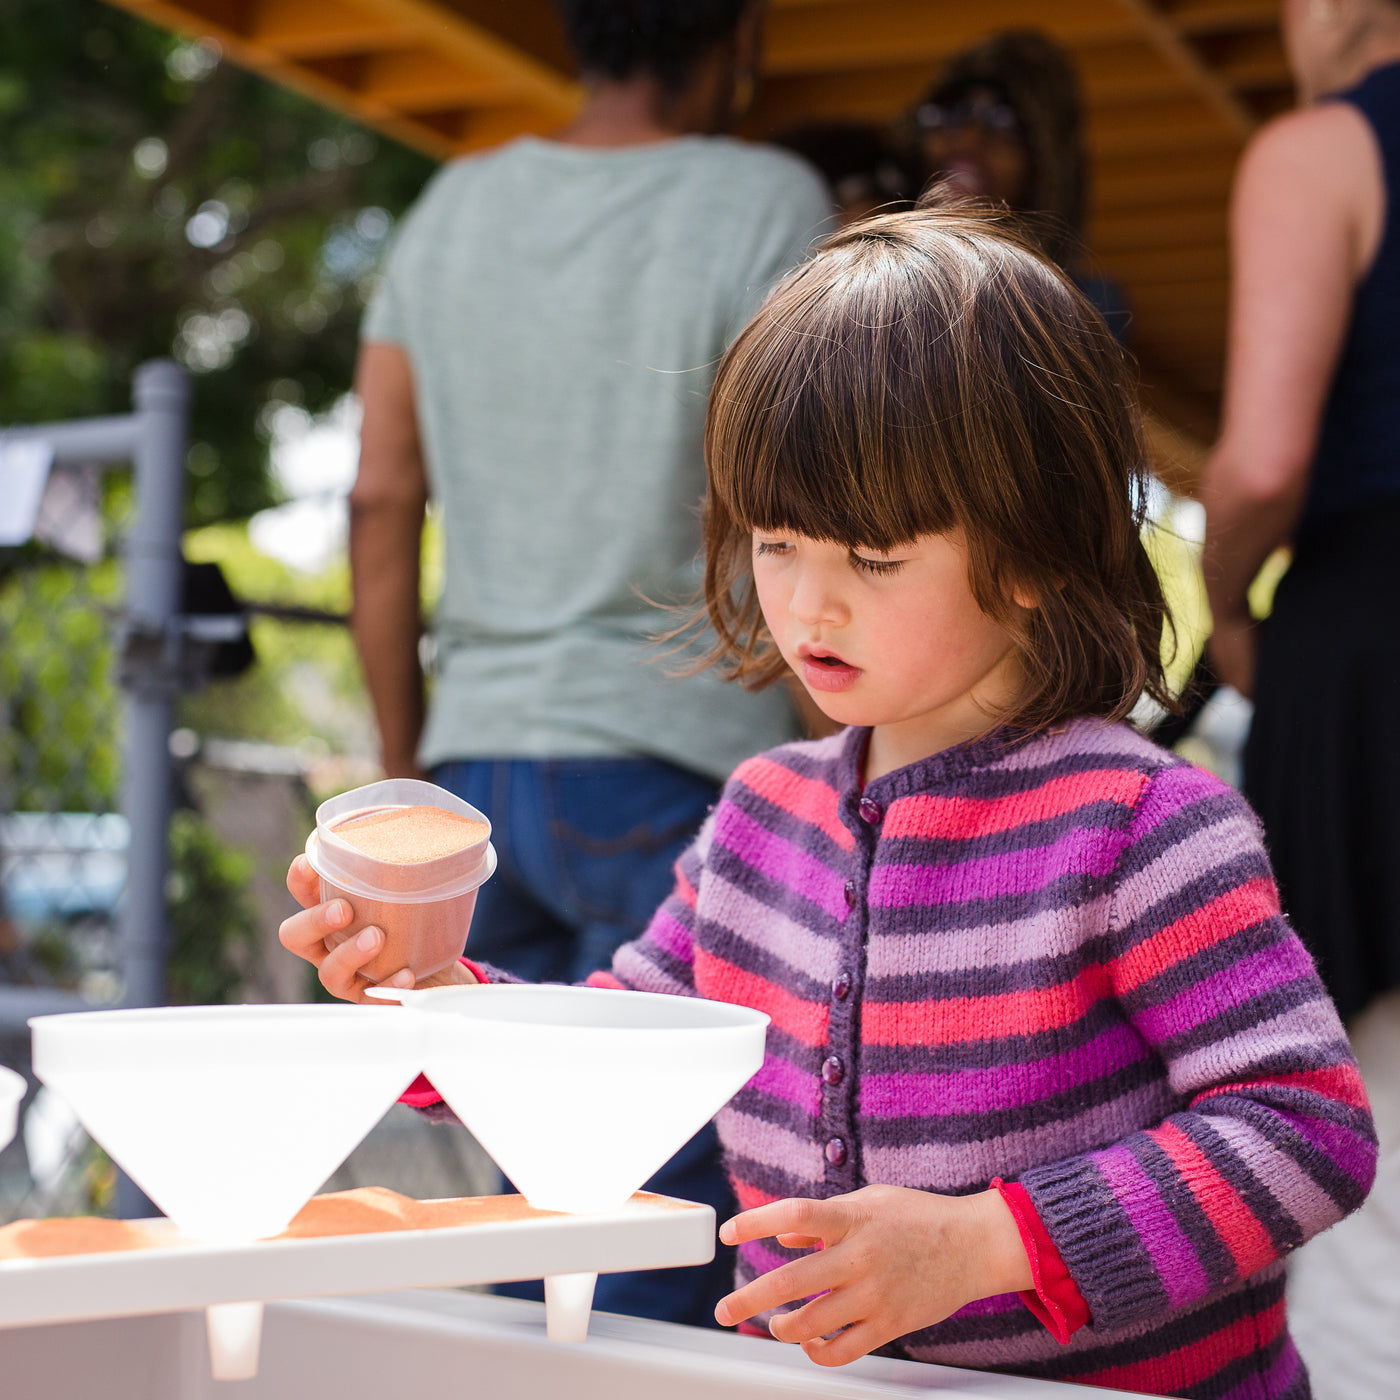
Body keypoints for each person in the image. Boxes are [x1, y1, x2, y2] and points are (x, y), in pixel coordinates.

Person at [286, 205, 1375, 1395]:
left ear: (1031, 549)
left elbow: (1303, 1126)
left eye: (871, 557)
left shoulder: (1141, 829)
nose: (808, 605)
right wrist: (432, 996)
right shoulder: (759, 823)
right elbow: (621, 1066)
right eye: (775, 541)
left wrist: (985, 1243)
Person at [349, 0, 830, 1329]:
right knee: (664, 1221)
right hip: (679, 766)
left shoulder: (451, 209)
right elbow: (802, 488)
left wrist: (410, 770)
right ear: (735, 38)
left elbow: (380, 498)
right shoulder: (767, 201)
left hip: (475, 773)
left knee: (529, 1202)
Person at [1200, 1, 1400, 1394]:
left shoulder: (1320, 151)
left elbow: (1262, 460)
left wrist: (1221, 603)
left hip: (1374, 653)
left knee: (1367, 1137)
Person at [906, 30, 1129, 341]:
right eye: (950, 111)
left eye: (1004, 122)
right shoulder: (873, 267)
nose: (969, 138)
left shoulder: (1086, 307)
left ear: (1045, 165)